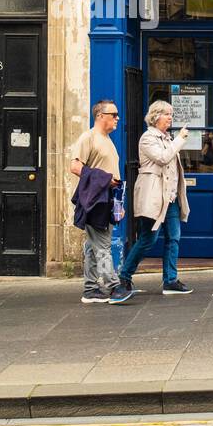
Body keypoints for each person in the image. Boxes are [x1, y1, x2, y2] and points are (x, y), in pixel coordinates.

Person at [112, 100, 191, 302]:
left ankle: (170, 280)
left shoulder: (167, 138)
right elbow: (163, 158)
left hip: (170, 197)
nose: (170, 117)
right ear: (155, 116)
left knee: (174, 237)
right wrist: (180, 139)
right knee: (149, 239)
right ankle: (124, 277)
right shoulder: (148, 139)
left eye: (171, 114)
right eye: (166, 114)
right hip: (154, 197)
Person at [69, 100, 123, 303]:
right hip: (94, 199)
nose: (117, 118)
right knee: (102, 246)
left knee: (93, 246)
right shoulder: (88, 137)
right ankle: (113, 286)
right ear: (100, 115)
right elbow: (75, 166)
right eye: (113, 114)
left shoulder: (107, 139)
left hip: (108, 198)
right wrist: (103, 179)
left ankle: (91, 289)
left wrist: (118, 205)